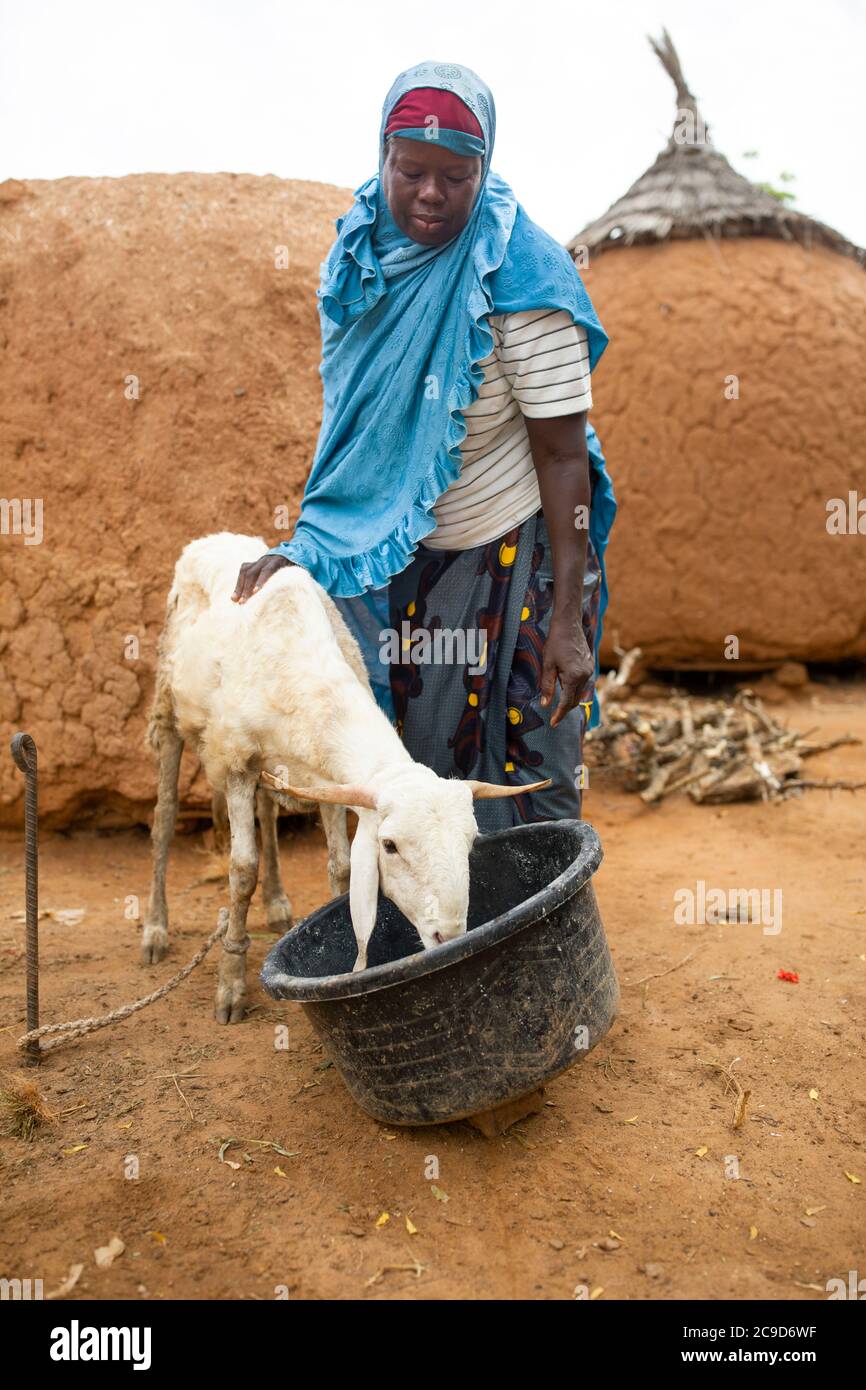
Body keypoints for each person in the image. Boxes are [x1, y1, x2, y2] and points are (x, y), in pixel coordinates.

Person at [232, 60, 615, 833]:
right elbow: (358, 426)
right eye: (411, 171)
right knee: (422, 774)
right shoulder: (359, 261)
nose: (431, 193)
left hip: (522, 553)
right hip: (412, 561)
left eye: (456, 175)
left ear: (486, 169)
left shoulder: (524, 278)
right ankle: (447, 942)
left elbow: (564, 458)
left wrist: (568, 620)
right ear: (382, 157)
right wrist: (315, 542)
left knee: (529, 766)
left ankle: (539, 944)